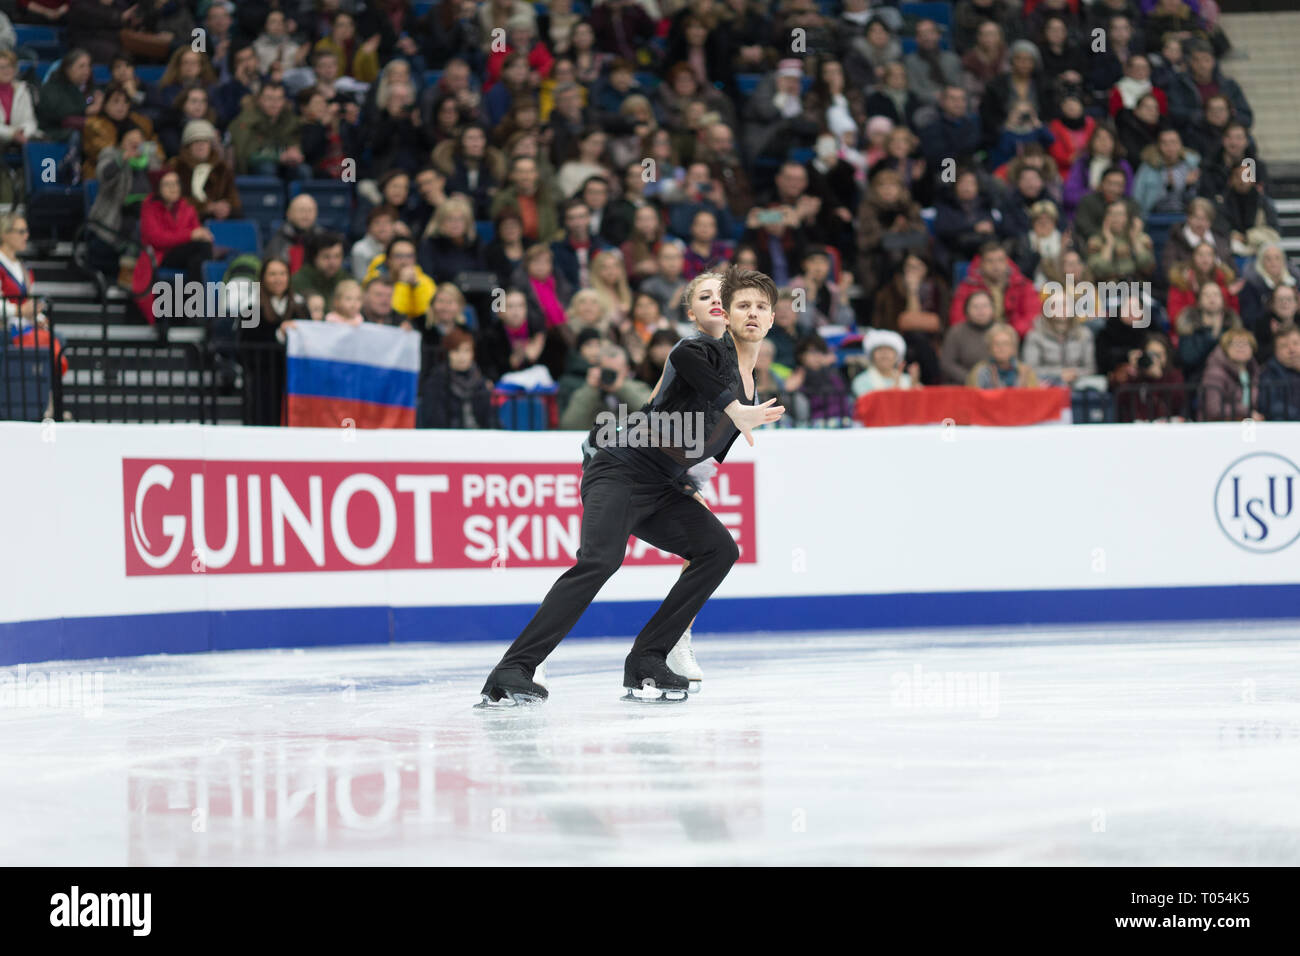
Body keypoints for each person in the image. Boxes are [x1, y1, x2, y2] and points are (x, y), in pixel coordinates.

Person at [477, 266, 785, 705]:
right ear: (728, 317)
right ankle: (514, 668)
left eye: (761, 308)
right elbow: (686, 363)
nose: (752, 314)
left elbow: (700, 451)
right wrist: (733, 407)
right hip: (620, 468)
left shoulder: (752, 395)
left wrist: (691, 481)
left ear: (773, 318)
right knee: (600, 561)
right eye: (742, 306)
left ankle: (648, 658)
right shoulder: (702, 352)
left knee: (719, 548)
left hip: (662, 485)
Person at [418, 327, 495, 428]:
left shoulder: (480, 382)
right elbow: (435, 420)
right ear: (448, 353)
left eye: (467, 351)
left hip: (479, 437)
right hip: (449, 438)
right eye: (456, 351)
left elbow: (490, 419)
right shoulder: (436, 381)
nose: (462, 356)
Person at [1199, 328, 1261, 422]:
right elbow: (1214, 409)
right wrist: (1246, 412)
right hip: (1218, 427)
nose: (1241, 348)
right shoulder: (1215, 372)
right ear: (1225, 348)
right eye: (1235, 344)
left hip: (1245, 425)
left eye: (1246, 344)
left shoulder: (1254, 372)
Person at [968, 323, 1040, 389]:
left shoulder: (1026, 372)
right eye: (996, 344)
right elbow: (974, 400)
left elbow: (1033, 400)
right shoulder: (979, 372)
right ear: (989, 348)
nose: (1001, 348)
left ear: (1014, 348)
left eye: (1006, 344)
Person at [1259, 323, 1300, 422]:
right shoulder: (1268, 374)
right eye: (1284, 346)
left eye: (1296, 343)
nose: (1292, 350)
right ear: (1275, 351)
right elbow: (1273, 408)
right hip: (1284, 430)